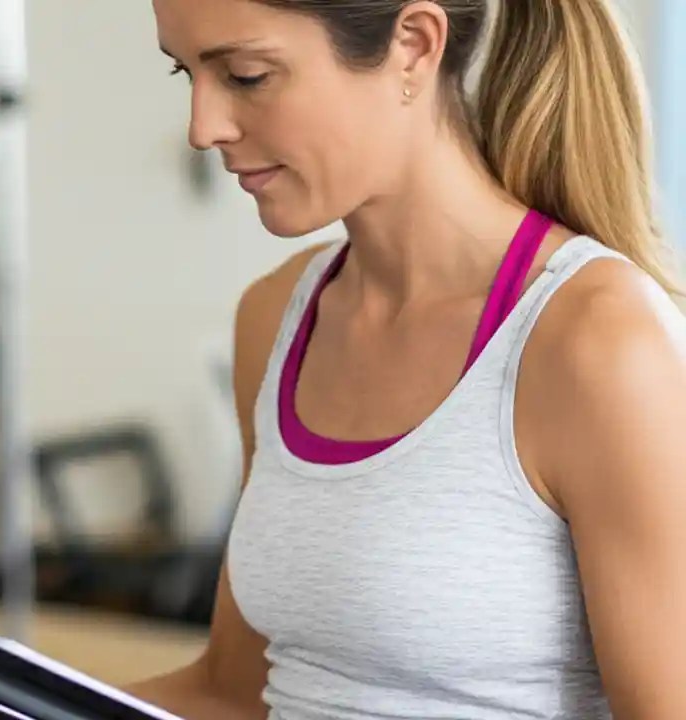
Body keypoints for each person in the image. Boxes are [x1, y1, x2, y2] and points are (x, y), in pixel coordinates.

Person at [124, 1, 686, 718]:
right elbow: (232, 693)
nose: (203, 128)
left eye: (247, 75)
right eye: (186, 72)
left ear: (414, 47)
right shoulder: (275, 319)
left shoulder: (598, 343)